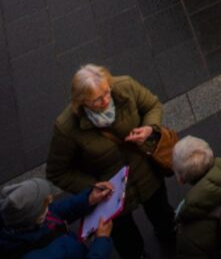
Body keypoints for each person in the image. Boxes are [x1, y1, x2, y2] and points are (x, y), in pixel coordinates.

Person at [45, 66, 174, 258]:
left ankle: (168, 234)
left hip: (147, 174)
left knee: (162, 213)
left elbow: (152, 105)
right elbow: (57, 172)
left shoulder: (125, 87)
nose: (106, 100)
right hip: (112, 196)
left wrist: (149, 128)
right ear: (82, 102)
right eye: (97, 99)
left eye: (107, 92)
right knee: (126, 239)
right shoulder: (66, 128)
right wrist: (92, 187)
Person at [0, 177, 116, 259]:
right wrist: (101, 242)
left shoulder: (8, 219)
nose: (50, 201)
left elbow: (54, 212)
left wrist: (88, 199)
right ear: (36, 218)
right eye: (45, 202)